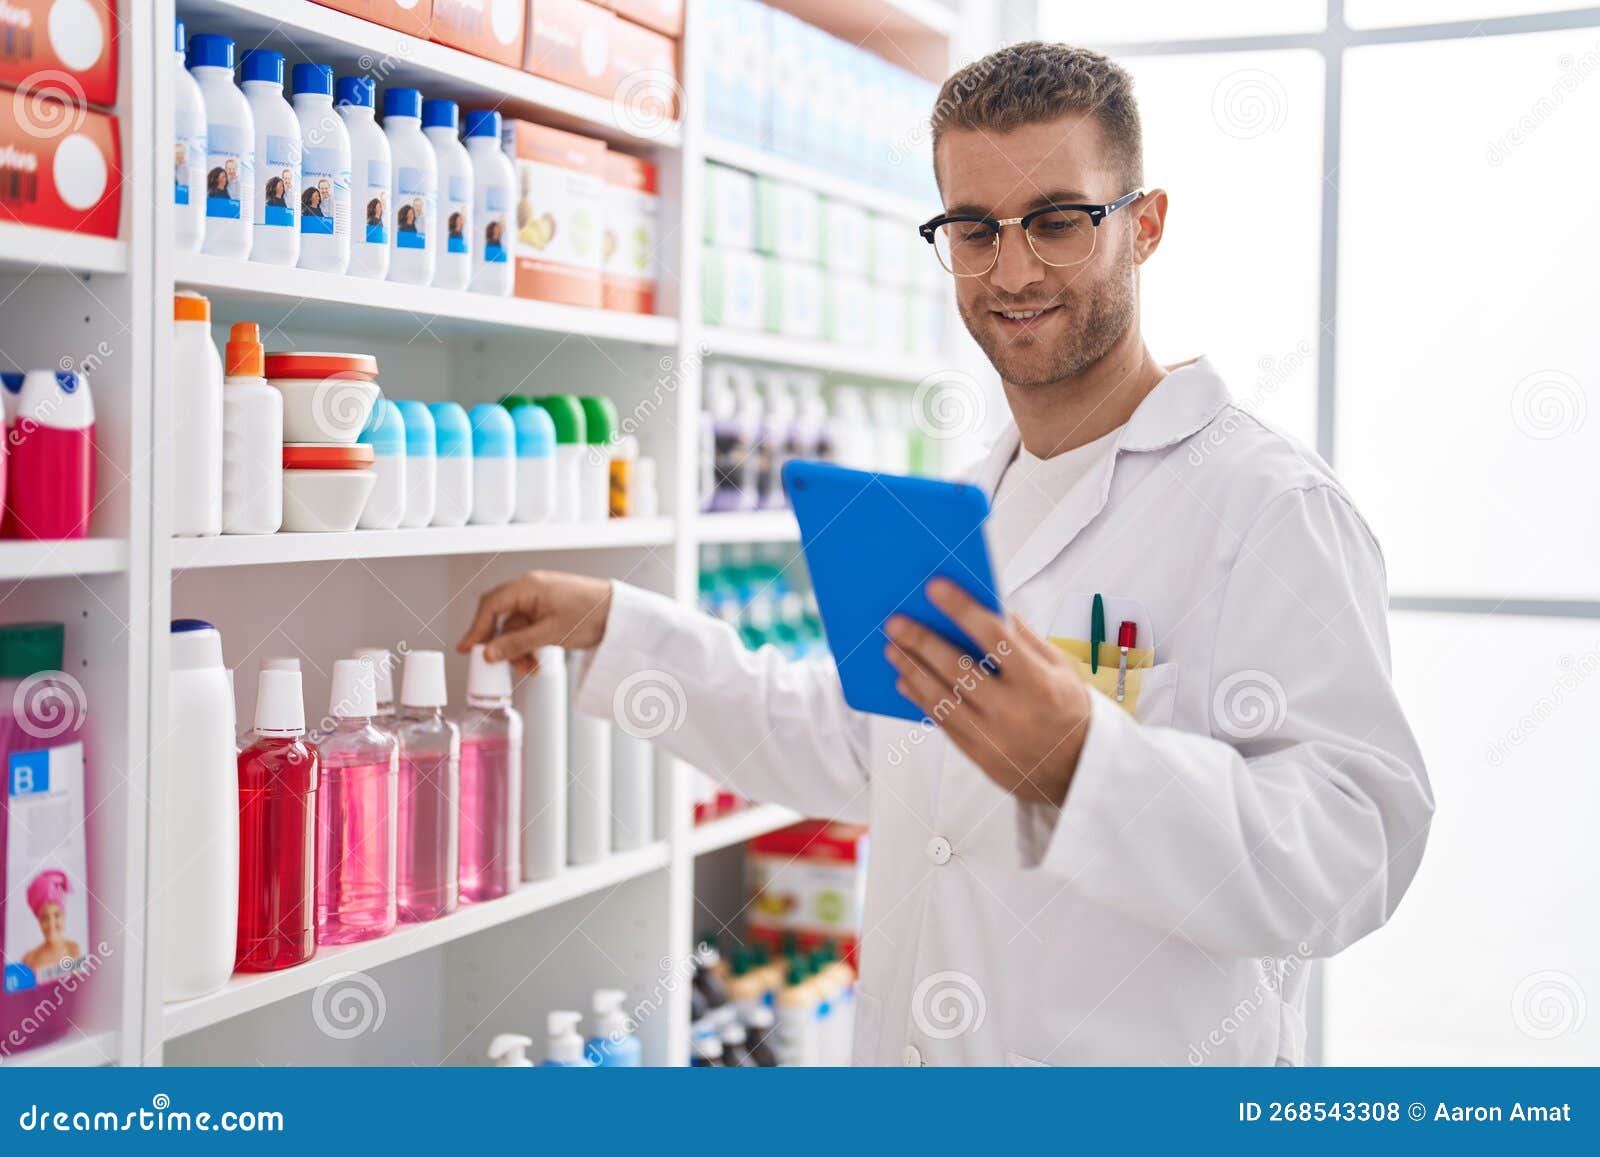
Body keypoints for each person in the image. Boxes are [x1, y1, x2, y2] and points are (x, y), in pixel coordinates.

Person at [459, 41, 1433, 1067]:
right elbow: (857, 744)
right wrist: (618, 627)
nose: (1012, 270)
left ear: (1143, 226)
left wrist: (1082, 761)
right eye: (974, 228)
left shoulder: (1267, 505)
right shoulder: (969, 500)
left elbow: (1352, 852)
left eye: (1059, 221)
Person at [20, 870, 82, 978]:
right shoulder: (29, 959)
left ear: (64, 916)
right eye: (45, 918)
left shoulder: (75, 950)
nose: (51, 924)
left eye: (57, 915)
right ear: (38, 921)